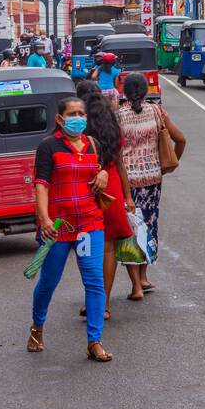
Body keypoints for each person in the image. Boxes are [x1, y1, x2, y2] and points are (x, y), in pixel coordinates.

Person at [28, 96, 113, 362]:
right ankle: (37, 328)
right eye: (72, 113)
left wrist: (103, 174)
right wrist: (44, 219)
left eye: (81, 113)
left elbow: (99, 171)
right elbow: (41, 183)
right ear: (60, 119)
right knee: (49, 281)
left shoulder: (93, 145)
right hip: (58, 227)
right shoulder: (48, 146)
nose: (78, 118)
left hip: (89, 224)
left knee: (94, 281)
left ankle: (94, 341)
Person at [116, 72, 185, 298]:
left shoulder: (118, 115)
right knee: (148, 226)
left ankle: (136, 285)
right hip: (153, 181)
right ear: (146, 91)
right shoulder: (157, 112)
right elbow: (181, 139)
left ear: (124, 92)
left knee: (130, 230)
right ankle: (144, 277)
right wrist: (169, 165)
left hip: (126, 182)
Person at [76, 80, 134, 315]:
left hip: (83, 186)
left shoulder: (78, 134)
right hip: (112, 187)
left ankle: (92, 299)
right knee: (109, 249)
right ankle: (104, 304)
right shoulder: (113, 131)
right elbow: (120, 164)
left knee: (85, 247)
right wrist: (128, 196)